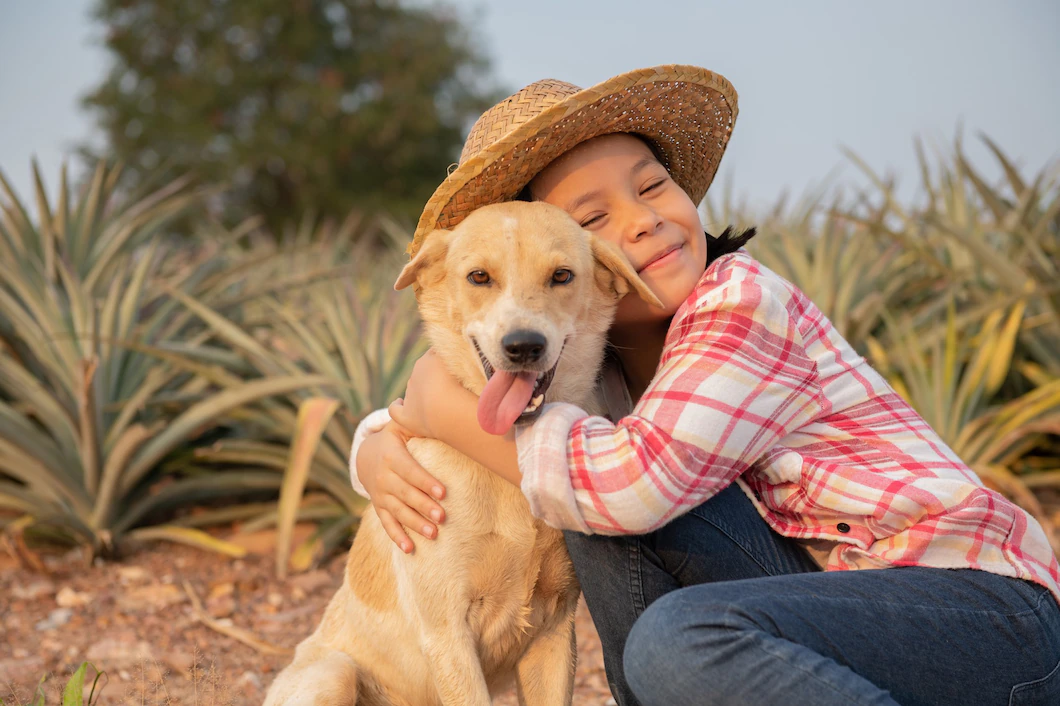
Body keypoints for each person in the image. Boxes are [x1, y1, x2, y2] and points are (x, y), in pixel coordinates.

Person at [348, 65, 1060, 706]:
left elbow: (627, 486)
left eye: (653, 185)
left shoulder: (741, 302)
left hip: (987, 617)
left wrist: (437, 412)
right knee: (597, 517)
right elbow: (580, 476)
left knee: (671, 629)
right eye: (592, 219)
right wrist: (376, 441)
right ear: (587, 265)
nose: (643, 219)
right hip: (831, 609)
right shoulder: (597, 366)